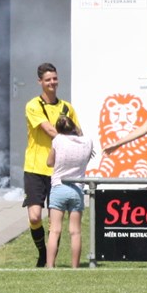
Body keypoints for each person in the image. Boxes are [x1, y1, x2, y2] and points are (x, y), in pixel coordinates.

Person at [23, 62, 79, 268]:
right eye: (48, 80)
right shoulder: (33, 105)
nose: (52, 82)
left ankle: (49, 261)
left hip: (59, 170)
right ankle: (42, 252)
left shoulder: (66, 107)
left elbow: (78, 131)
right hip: (35, 168)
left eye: (54, 78)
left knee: (54, 220)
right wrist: (70, 141)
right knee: (34, 216)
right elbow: (48, 129)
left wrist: (83, 145)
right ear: (40, 82)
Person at [45, 114, 96, 269]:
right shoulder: (87, 142)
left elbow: (49, 162)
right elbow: (86, 160)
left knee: (54, 230)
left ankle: (50, 266)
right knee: (75, 232)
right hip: (77, 189)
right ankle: (75, 267)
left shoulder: (58, 140)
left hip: (59, 187)